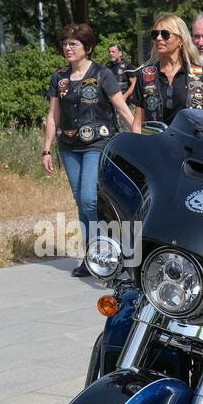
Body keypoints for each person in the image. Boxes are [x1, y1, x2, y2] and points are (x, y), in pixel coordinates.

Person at [42, 23, 135, 277]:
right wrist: (46, 149)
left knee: (89, 199)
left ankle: (109, 251)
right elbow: (53, 116)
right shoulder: (58, 78)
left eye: (74, 44)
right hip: (69, 147)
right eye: (65, 43)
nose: (68, 48)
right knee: (81, 204)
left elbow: (121, 108)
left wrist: (140, 137)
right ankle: (92, 256)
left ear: (88, 47)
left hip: (98, 144)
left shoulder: (102, 73)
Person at [131, 13, 203, 131]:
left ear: (180, 40)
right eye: (155, 34)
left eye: (165, 34)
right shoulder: (145, 75)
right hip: (155, 145)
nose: (158, 38)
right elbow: (137, 123)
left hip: (190, 146)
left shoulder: (198, 74)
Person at [105, 43, 137, 123]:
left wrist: (124, 97)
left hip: (127, 104)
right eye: (109, 52)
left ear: (120, 53)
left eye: (113, 52)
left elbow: (134, 84)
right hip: (112, 104)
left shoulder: (128, 66)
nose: (111, 54)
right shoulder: (108, 66)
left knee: (127, 129)